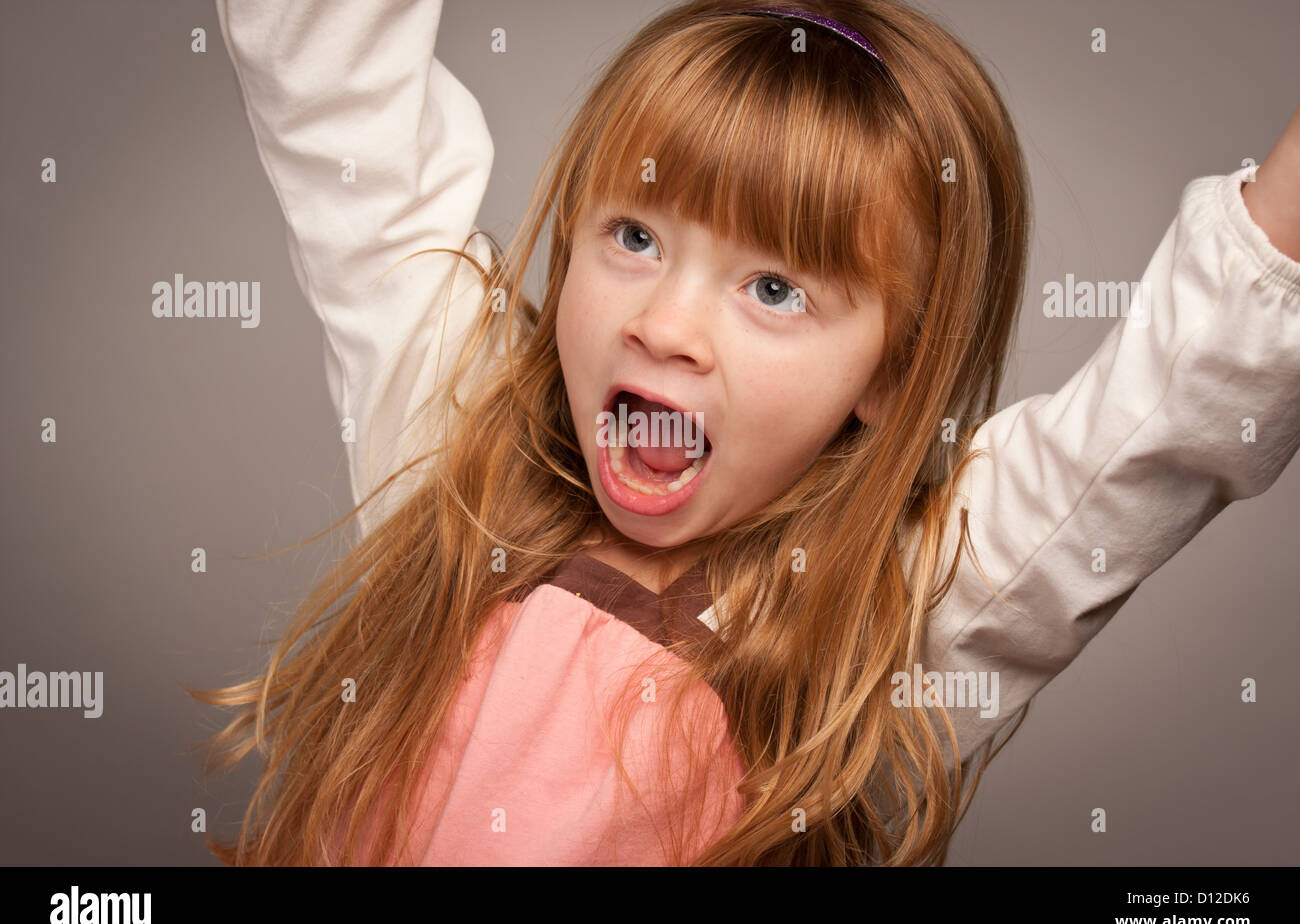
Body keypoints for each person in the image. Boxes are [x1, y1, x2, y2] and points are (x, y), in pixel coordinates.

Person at [193, 0, 1300, 865]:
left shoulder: (888, 610)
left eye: (774, 288)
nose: (664, 323)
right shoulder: (454, 442)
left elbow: (1157, 416)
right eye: (633, 234)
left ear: (891, 371)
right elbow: (337, 109)